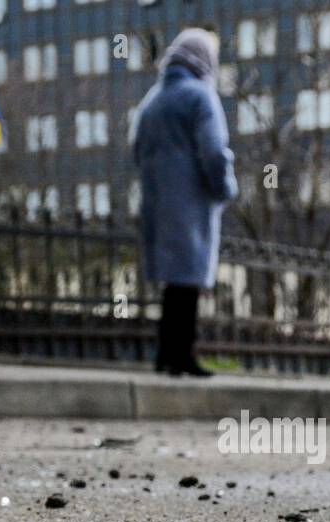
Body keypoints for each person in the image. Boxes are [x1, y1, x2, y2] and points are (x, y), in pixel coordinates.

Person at [131, 28, 238, 377]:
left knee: (172, 286)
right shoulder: (200, 97)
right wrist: (224, 188)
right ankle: (182, 357)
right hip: (191, 203)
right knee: (187, 284)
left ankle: (167, 355)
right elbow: (214, 151)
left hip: (157, 203)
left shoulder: (152, 100)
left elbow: (135, 150)